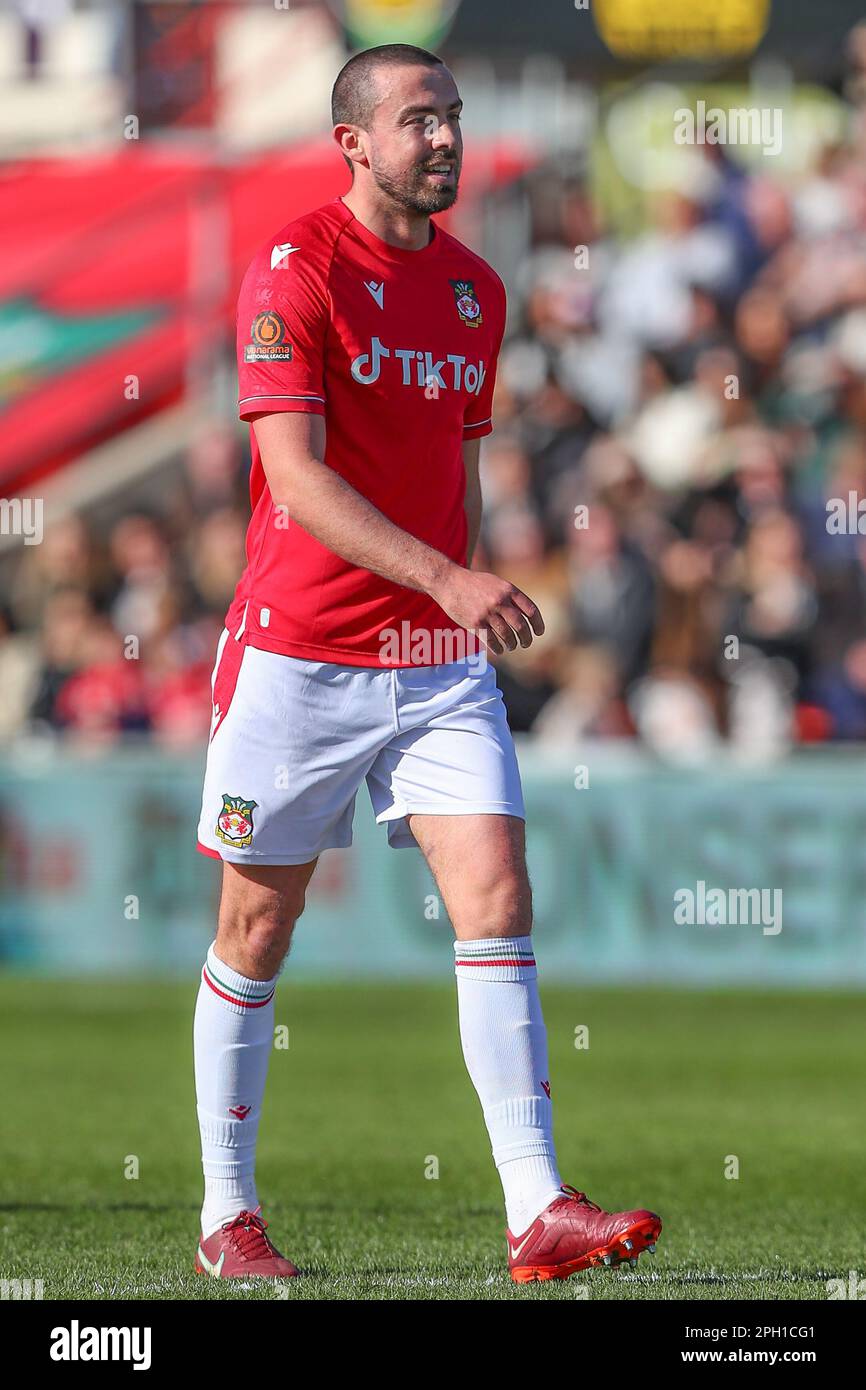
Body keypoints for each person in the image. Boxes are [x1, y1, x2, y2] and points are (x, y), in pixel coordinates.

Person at [192, 43, 661, 1284]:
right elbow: (292, 476)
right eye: (419, 120)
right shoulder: (295, 269)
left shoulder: (474, 292)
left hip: (435, 657)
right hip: (300, 651)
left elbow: (447, 472)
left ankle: (536, 1205)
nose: (445, 138)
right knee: (255, 922)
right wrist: (444, 575)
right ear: (353, 142)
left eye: (452, 116)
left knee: (497, 899)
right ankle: (224, 1213)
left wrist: (469, 587)